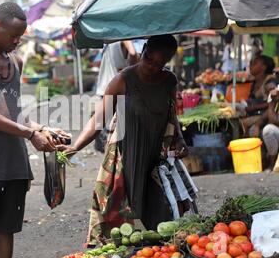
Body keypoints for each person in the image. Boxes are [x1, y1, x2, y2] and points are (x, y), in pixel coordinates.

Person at [0, 2, 69, 258]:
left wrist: (42, 128)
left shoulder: (16, 61)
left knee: (6, 233)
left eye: (21, 36)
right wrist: (30, 135)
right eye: (13, 35)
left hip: (15, 167)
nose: (18, 41)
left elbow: (14, 112)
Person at [59, 35, 189, 245]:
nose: (152, 67)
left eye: (159, 63)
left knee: (158, 217)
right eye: (149, 59)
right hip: (127, 158)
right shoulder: (123, 80)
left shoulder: (169, 81)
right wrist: (74, 147)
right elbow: (97, 121)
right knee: (125, 216)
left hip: (156, 160)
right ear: (143, 49)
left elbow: (172, 116)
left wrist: (180, 140)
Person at [93, 41, 139, 152]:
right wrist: (131, 71)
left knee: (111, 138)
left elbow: (131, 53)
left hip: (108, 90)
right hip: (115, 90)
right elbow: (133, 53)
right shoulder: (123, 37)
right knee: (115, 139)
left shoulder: (110, 38)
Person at [251, 79, 279, 170]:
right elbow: (262, 119)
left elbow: (276, 121)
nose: (271, 93)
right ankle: (263, 161)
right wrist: (256, 126)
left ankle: (272, 164)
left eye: (272, 89)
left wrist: (271, 103)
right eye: (267, 92)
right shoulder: (276, 102)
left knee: (268, 130)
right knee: (253, 130)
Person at [242, 55, 276, 135]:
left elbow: (273, 102)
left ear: (263, 67)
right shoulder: (255, 82)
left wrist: (254, 107)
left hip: (266, 115)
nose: (251, 66)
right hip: (255, 113)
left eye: (255, 64)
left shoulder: (270, 82)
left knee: (243, 123)